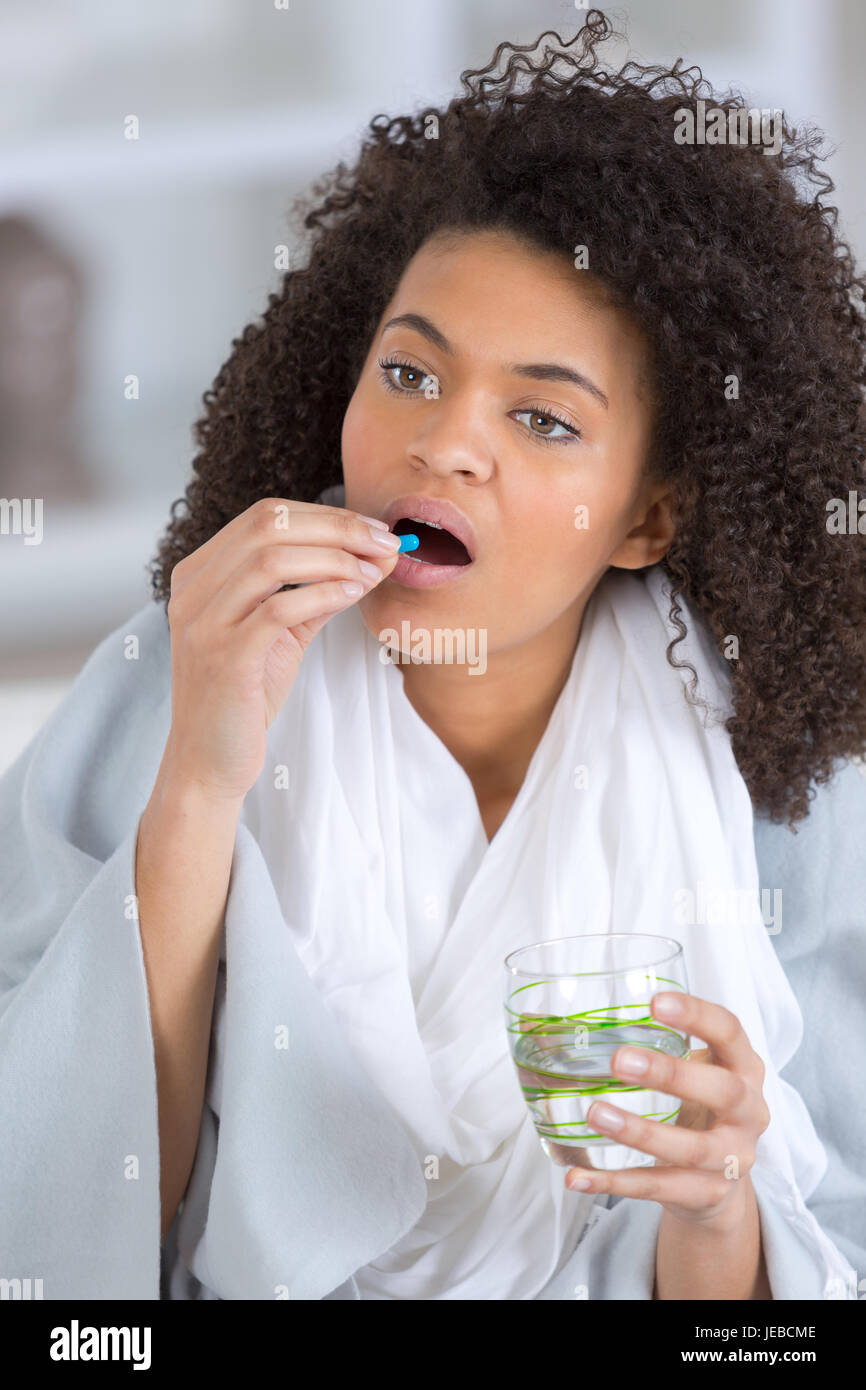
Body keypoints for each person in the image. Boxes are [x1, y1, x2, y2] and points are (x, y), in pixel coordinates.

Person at [1, 14, 865, 1300]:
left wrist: (715, 1199)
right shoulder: (172, 670)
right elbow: (72, 1224)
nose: (445, 443)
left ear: (648, 517)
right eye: (409, 371)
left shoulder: (773, 771)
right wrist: (199, 781)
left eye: (540, 416)